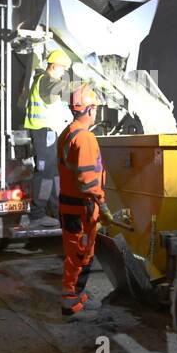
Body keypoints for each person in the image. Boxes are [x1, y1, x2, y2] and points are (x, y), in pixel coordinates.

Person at [55, 85, 117, 317]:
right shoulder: (85, 138)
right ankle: (70, 300)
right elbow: (88, 179)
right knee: (81, 255)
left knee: (74, 254)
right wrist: (103, 206)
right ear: (90, 110)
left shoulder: (67, 133)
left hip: (69, 204)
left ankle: (73, 295)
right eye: (96, 109)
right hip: (82, 207)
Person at [24, 48, 73, 226]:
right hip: (42, 132)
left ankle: (55, 209)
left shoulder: (45, 80)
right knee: (45, 173)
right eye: (62, 69)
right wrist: (73, 85)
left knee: (53, 173)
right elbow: (51, 97)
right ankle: (37, 215)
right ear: (53, 66)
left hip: (48, 133)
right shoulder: (44, 80)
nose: (63, 73)